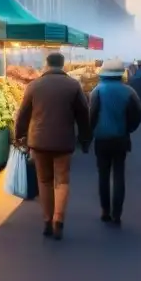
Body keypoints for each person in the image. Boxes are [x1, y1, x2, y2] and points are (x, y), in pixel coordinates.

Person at [14, 52, 92, 240]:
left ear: (47, 64)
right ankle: (59, 218)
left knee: (44, 181)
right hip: (63, 140)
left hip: (39, 141)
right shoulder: (74, 85)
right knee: (62, 180)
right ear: (63, 65)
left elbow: (22, 114)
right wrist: (85, 139)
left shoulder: (34, 86)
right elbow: (83, 115)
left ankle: (47, 220)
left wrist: (19, 136)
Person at [89, 59, 141, 225]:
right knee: (119, 176)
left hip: (102, 140)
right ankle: (117, 213)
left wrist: (90, 133)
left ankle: (105, 210)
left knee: (103, 176)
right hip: (121, 139)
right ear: (121, 74)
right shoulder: (129, 92)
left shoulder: (97, 91)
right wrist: (128, 129)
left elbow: (91, 115)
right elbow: (138, 114)